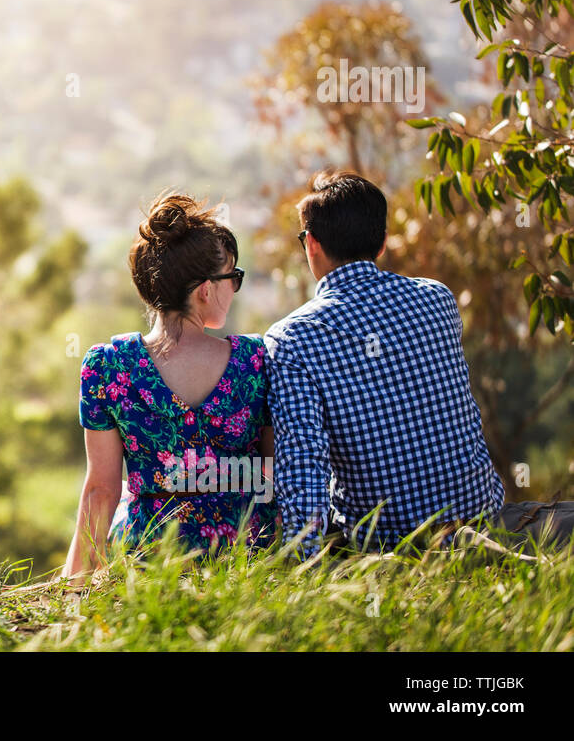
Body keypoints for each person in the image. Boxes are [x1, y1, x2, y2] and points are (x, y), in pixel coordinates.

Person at [265, 169, 506, 557]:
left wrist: (303, 562)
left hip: (387, 541)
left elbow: (303, 467)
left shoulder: (292, 339)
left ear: (311, 245)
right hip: (480, 513)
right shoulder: (438, 300)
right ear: (382, 243)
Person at [62, 192, 276, 581]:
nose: (235, 288)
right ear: (205, 290)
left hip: (149, 563)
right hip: (246, 561)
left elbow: (102, 490)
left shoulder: (108, 366)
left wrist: (72, 583)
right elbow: (272, 472)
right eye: (234, 277)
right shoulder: (255, 361)